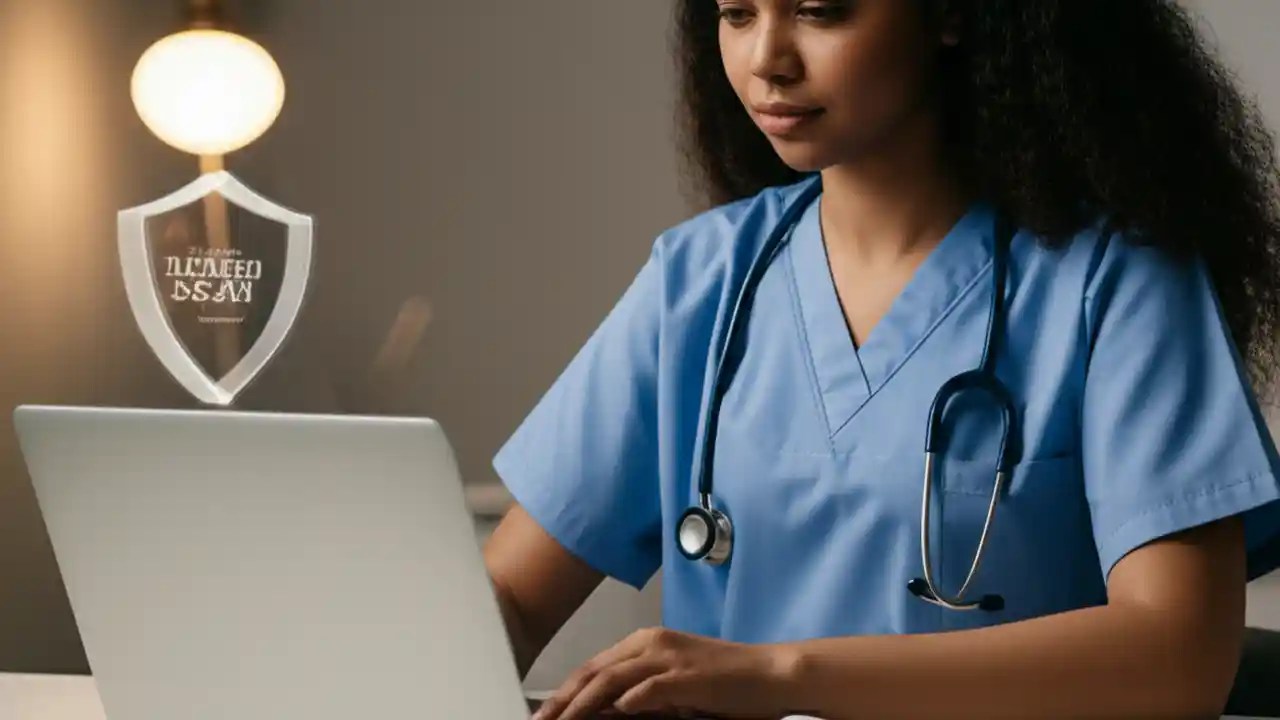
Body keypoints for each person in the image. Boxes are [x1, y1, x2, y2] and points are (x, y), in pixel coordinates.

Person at [483, 1, 1280, 718]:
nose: (767, 58)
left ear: (950, 15)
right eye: (734, 14)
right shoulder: (697, 284)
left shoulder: (1118, 281)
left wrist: (779, 676)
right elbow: (508, 601)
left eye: (820, 12)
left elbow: (1180, 658)